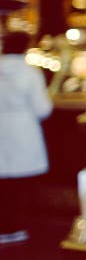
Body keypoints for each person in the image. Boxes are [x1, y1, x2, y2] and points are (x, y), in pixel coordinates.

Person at [0, 31, 53, 244]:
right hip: (23, 131)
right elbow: (43, 109)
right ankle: (17, 226)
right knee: (21, 183)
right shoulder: (30, 74)